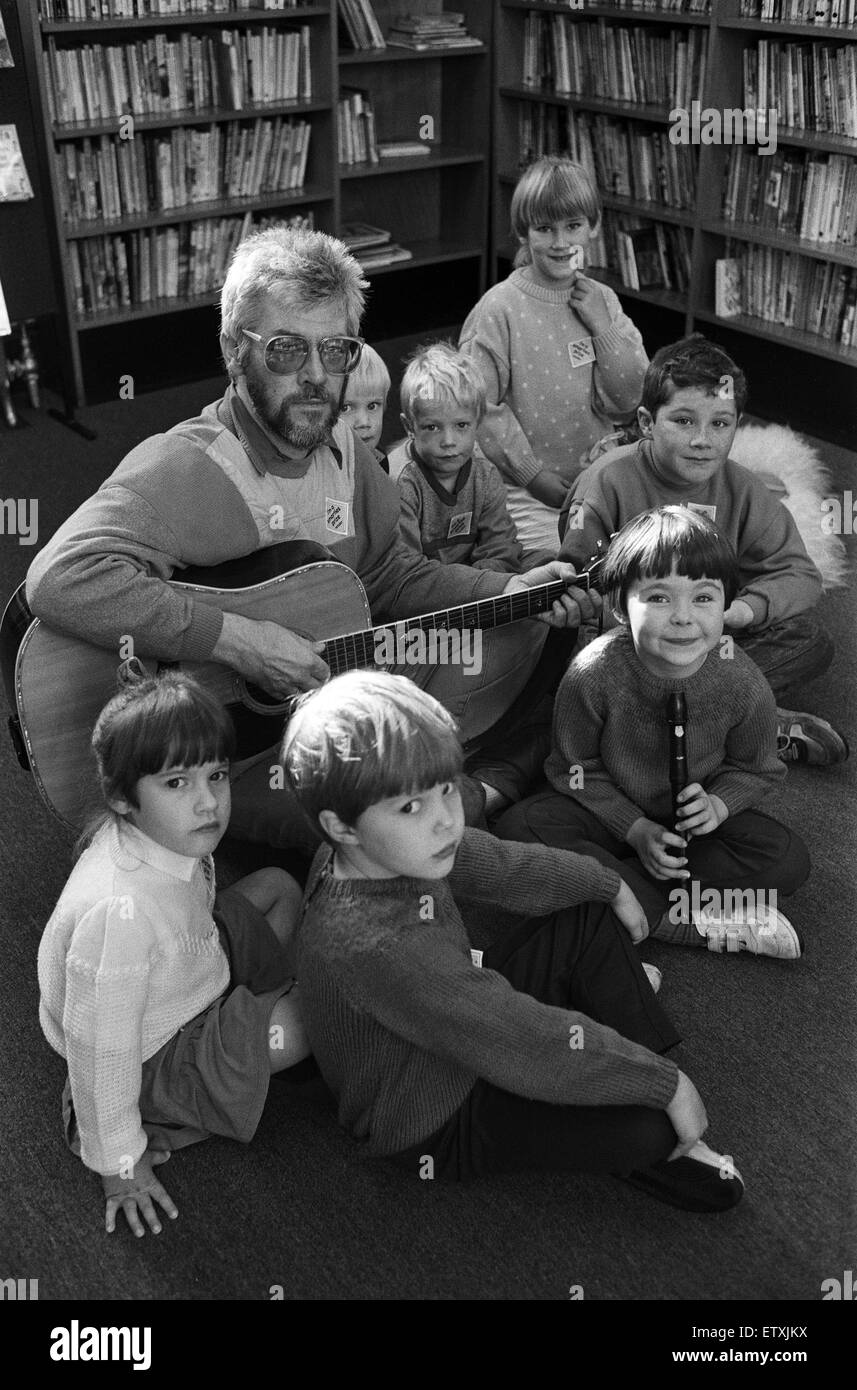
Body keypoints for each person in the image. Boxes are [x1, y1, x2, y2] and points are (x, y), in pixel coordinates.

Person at [25, 226, 595, 852]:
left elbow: (386, 575)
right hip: (214, 759)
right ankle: (468, 790)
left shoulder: (347, 450)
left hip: (298, 710)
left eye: (337, 350)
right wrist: (242, 643)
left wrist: (507, 585)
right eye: (287, 351)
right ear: (233, 350)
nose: (317, 377)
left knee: (540, 630)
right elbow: (58, 578)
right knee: (366, 828)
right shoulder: (190, 466)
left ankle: (454, 780)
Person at [281, 669, 744, 1211]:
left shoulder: (371, 853)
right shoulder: (385, 948)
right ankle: (657, 1126)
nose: (445, 823)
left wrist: (607, 882)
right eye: (411, 807)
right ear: (342, 827)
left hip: (460, 1022)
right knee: (649, 1127)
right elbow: (518, 1036)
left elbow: (495, 862)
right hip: (433, 1115)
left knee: (588, 915)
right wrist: (666, 1086)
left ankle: (622, 1055)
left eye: (447, 790)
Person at [37, 671, 308, 1238]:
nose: (209, 802)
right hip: (150, 1057)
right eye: (177, 783)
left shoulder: (164, 840)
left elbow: (197, 908)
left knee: (281, 885)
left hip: (189, 969)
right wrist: (120, 1166)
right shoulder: (118, 915)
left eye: (217, 775)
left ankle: (260, 1013)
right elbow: (101, 1052)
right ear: (122, 798)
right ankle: (267, 1025)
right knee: (314, 1020)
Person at [496, 508, 811, 956]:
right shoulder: (591, 673)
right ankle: (679, 921)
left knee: (785, 860)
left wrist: (718, 806)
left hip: (691, 829)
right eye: (659, 598)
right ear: (619, 607)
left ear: (726, 605)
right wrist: (636, 830)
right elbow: (572, 771)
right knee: (522, 826)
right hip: (610, 815)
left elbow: (757, 770)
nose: (683, 617)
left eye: (704, 598)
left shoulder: (742, 682)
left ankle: (611, 892)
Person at [559, 334, 848, 766]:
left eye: (720, 423)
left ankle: (681, 722)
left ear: (737, 423)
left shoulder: (743, 487)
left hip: (709, 639)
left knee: (810, 640)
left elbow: (800, 574)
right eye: (684, 421)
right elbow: (578, 582)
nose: (703, 440)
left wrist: (738, 611)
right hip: (631, 645)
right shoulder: (605, 482)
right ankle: (739, 724)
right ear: (646, 422)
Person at [459, 156, 648, 562]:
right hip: (523, 486)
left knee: (639, 562)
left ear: (594, 227)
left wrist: (604, 329)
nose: (561, 243)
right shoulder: (499, 308)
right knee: (555, 574)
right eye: (545, 228)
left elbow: (630, 399)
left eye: (573, 226)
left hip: (599, 479)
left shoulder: (604, 301)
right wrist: (532, 475)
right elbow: (477, 407)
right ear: (524, 234)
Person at [389, 342, 522, 573]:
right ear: (409, 426)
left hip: (473, 583)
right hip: (423, 589)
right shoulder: (402, 483)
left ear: (477, 422)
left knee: (544, 561)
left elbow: (500, 547)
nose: (449, 441)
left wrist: (486, 585)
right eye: (432, 427)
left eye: (461, 425)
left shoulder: (485, 475)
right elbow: (404, 568)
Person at [339, 341, 392, 473]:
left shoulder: (381, 460)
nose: (364, 422)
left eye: (372, 406)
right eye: (346, 408)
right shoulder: (321, 472)